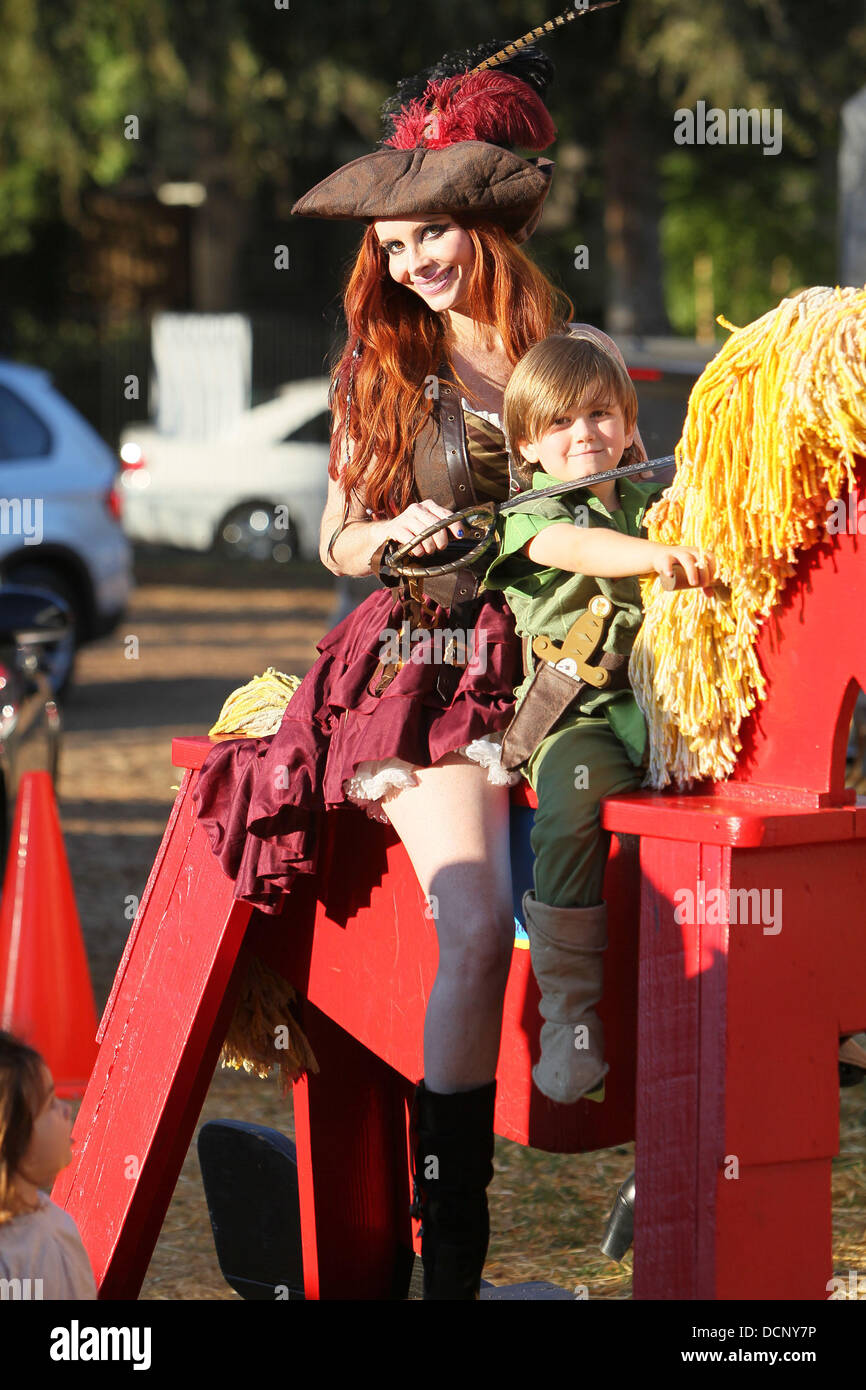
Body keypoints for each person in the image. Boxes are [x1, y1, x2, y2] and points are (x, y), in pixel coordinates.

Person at [192, 38, 646, 1300]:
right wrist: (382, 532)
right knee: (468, 931)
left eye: (428, 231)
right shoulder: (380, 363)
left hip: (574, 656)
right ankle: (450, 1263)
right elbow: (338, 535)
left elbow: (623, 507)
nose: (411, 261)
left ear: (481, 222)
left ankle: (660, 1139)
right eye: (391, 246)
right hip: (430, 663)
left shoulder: (579, 347)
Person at [481, 334, 714, 1104]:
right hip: (579, 713)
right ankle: (569, 1018)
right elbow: (578, 546)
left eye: (601, 414)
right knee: (572, 804)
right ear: (528, 446)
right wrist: (651, 557)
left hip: (670, 708)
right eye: (561, 423)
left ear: (629, 421)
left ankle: (811, 994)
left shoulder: (661, 502)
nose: (584, 433)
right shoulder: (528, 514)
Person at [0, 1031, 97, 1299]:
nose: (66, 1110)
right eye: (50, 1105)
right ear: (13, 1138)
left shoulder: (51, 1221)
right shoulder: (21, 1255)